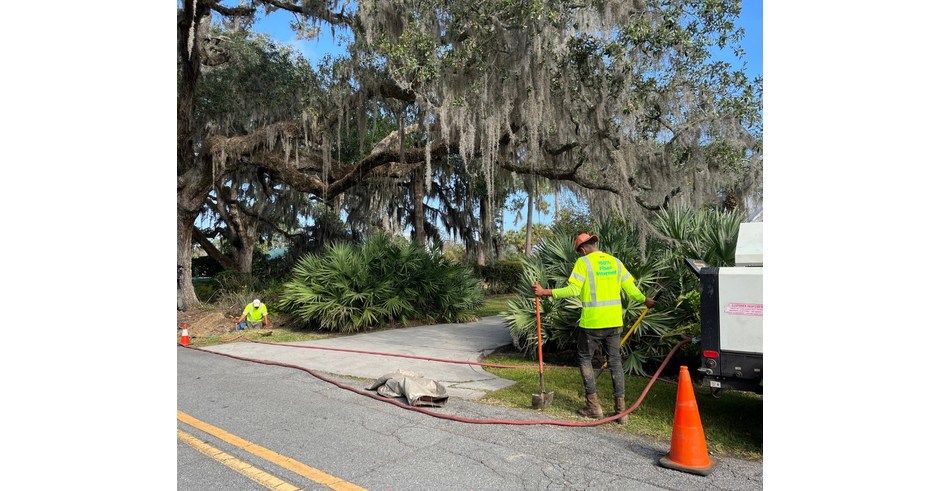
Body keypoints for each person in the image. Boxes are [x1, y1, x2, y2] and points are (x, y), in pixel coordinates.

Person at [533, 233, 655, 424]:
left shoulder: (584, 263)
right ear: (594, 244)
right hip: (614, 322)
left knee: (585, 359)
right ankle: (621, 412)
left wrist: (544, 292)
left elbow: (572, 290)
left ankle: (593, 407)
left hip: (592, 324)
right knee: (615, 362)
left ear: (582, 250)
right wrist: (644, 300)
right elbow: (631, 289)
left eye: (579, 253)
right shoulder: (615, 262)